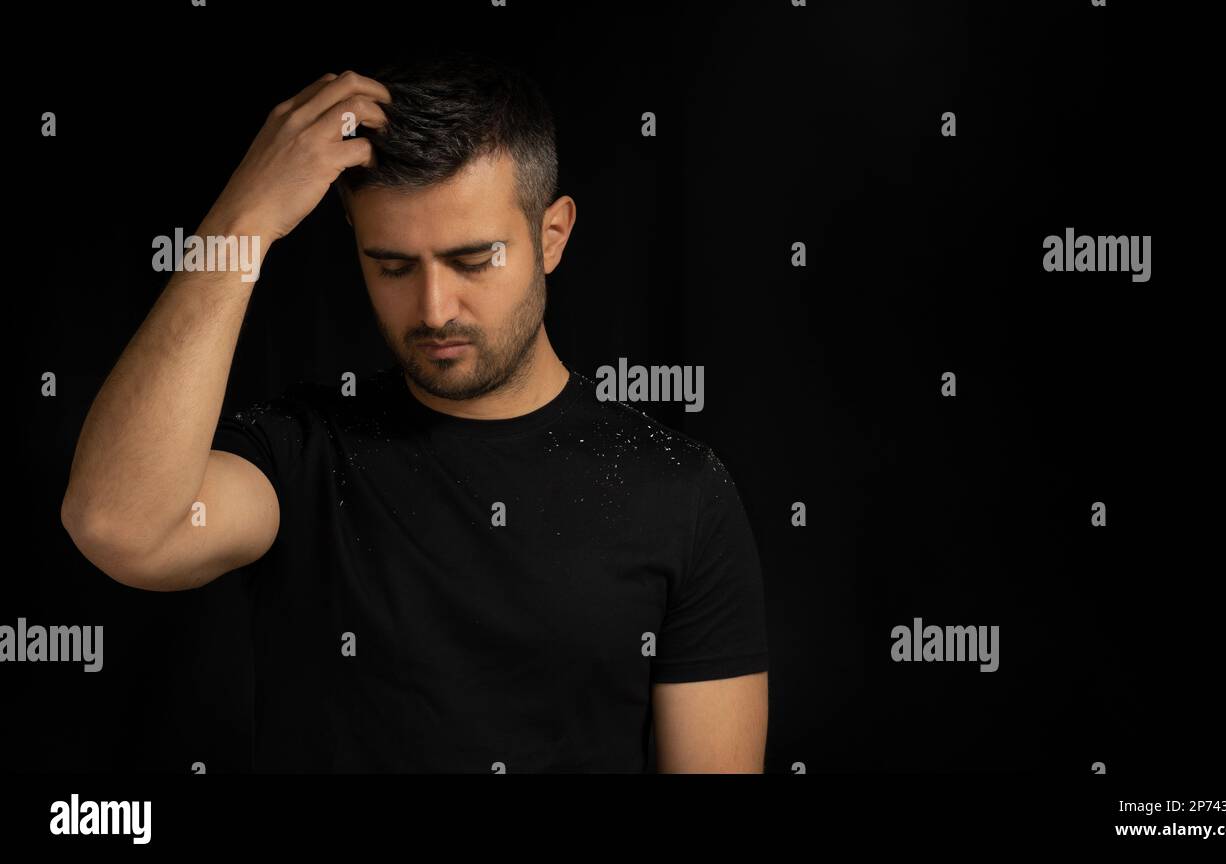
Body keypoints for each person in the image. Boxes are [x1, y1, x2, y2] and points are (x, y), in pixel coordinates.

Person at [60, 52, 768, 772]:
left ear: (551, 236)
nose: (433, 310)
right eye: (393, 267)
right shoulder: (305, 452)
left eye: (472, 261)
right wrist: (246, 219)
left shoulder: (680, 489)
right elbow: (120, 525)